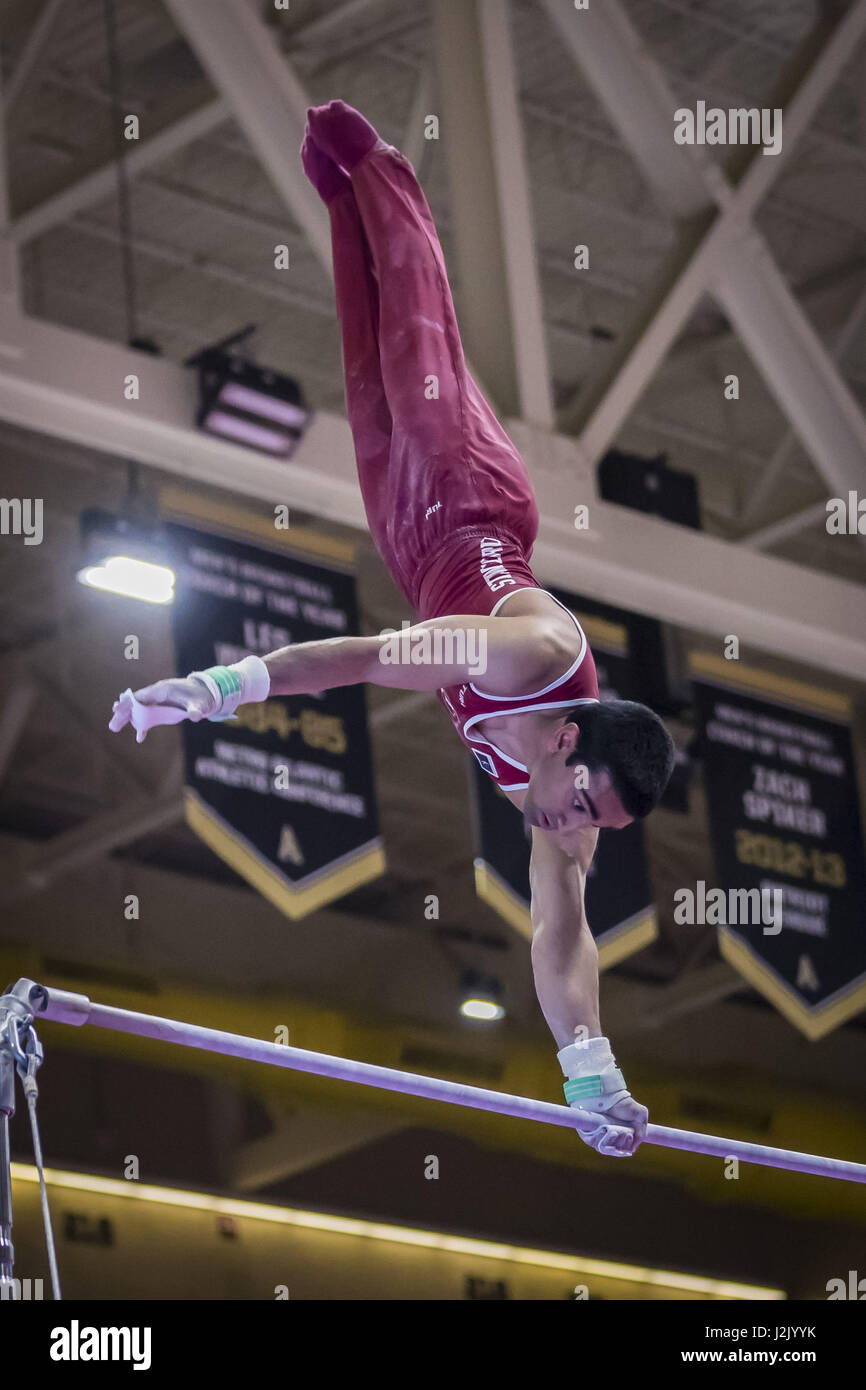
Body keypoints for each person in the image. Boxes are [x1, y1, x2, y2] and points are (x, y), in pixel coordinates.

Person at [110, 102, 675, 1158]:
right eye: (582, 801)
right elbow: (364, 659)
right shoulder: (532, 658)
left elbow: (561, 935)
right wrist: (215, 688)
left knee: (362, 353)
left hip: (404, 537)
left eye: (590, 819)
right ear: (566, 735)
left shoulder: (562, 806)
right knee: (417, 327)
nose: (570, 825)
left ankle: (336, 197)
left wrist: (589, 1071)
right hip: (465, 493)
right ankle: (376, 164)